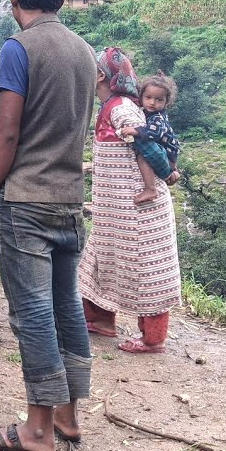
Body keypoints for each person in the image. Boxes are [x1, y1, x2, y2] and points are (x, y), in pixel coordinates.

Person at [0, 0, 97, 451]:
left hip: (26, 200)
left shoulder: (18, 49)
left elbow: (6, 130)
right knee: (66, 305)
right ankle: (67, 415)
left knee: (32, 314)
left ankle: (37, 431)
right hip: (69, 199)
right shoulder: (85, 52)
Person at [79, 48, 182, 354]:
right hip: (116, 214)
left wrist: (167, 172)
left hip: (140, 211)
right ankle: (101, 320)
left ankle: (152, 339)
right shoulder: (112, 104)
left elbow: (147, 141)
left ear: (100, 75)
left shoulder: (121, 107)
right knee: (99, 262)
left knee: (148, 271)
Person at [120, 73, 182, 204]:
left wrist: (136, 131)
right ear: (141, 97)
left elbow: (155, 133)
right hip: (168, 156)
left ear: (166, 102)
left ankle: (150, 189)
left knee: (143, 156)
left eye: (159, 100)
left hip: (168, 157)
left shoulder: (158, 117)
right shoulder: (145, 113)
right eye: (148, 97)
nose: (152, 103)